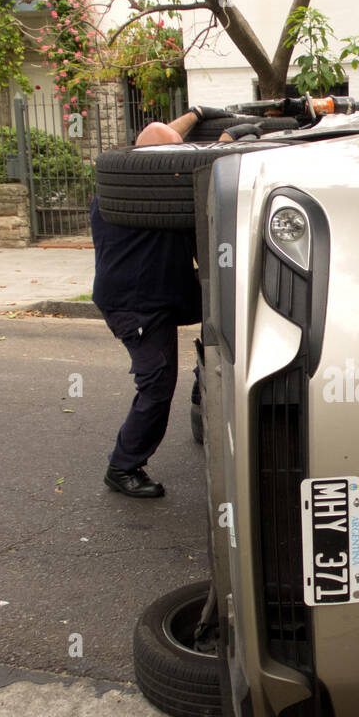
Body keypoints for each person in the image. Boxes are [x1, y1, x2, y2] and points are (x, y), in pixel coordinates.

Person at [93, 105, 233, 497]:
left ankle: (203, 389)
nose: (178, 162)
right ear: (153, 166)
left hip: (165, 287)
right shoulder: (139, 193)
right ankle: (123, 467)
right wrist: (230, 141)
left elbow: (158, 139)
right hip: (135, 303)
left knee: (223, 297)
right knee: (156, 384)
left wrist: (196, 113)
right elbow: (200, 163)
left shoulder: (139, 175)